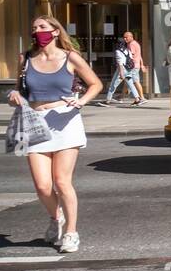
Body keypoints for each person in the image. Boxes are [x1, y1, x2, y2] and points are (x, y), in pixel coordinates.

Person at [10, 16, 104, 253]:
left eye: (42, 27)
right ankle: (56, 217)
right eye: (34, 28)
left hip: (64, 119)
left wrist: (80, 101)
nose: (37, 31)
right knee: (42, 186)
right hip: (34, 120)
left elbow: (95, 84)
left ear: (54, 31)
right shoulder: (25, 59)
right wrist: (14, 96)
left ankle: (71, 232)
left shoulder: (69, 57)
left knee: (62, 182)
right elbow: (19, 88)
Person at [104, 36, 142, 105]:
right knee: (131, 85)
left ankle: (107, 101)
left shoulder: (118, 51)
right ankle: (137, 99)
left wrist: (121, 73)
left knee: (113, 85)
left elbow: (120, 63)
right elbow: (131, 59)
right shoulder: (127, 50)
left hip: (121, 70)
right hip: (129, 70)